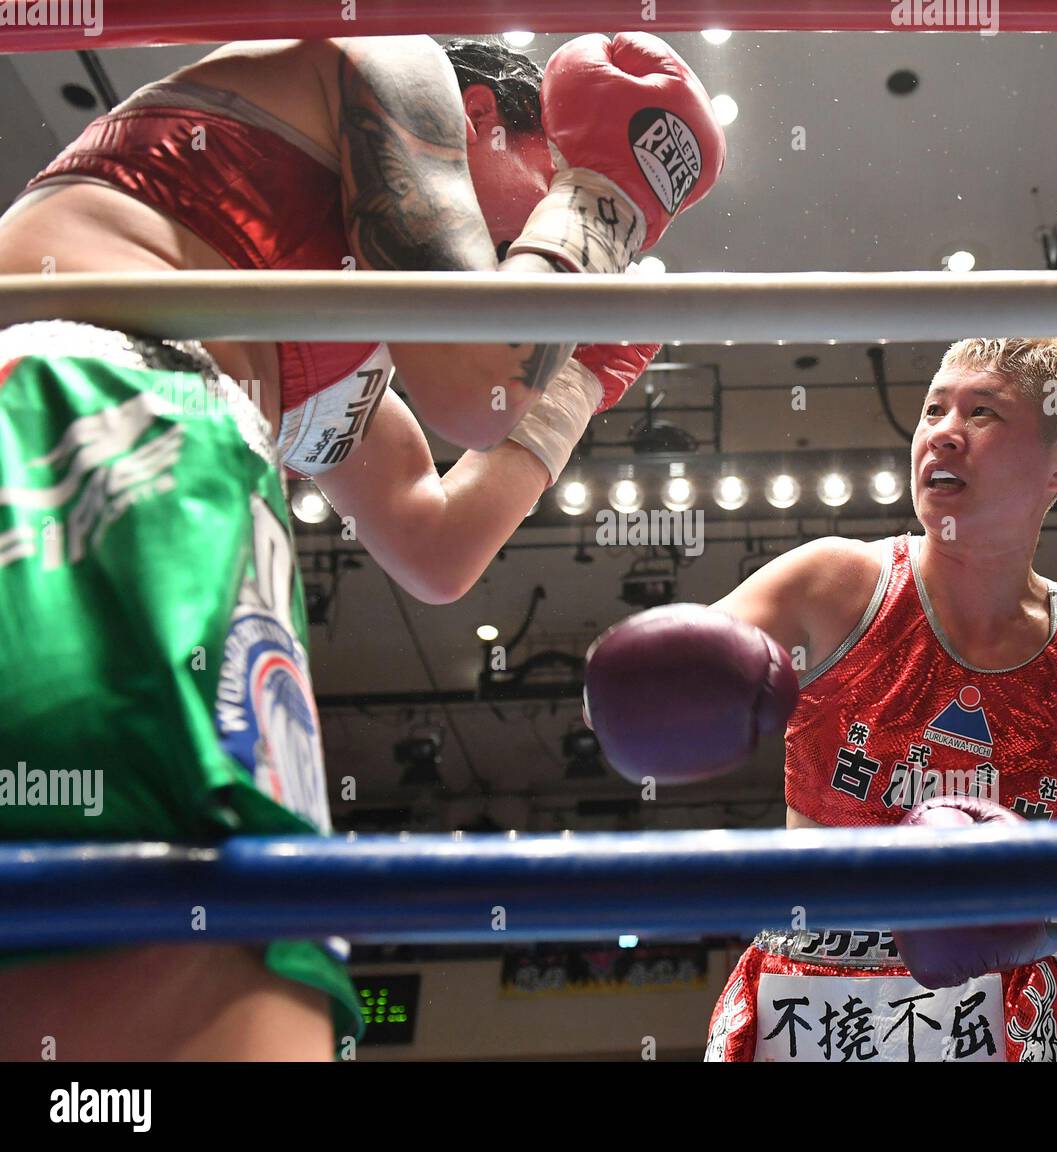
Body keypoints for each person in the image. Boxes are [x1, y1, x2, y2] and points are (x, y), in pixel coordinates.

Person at [0, 32, 724, 1060]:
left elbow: (436, 548)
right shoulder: (390, 59)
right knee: (217, 959)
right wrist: (598, 200)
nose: (542, 248)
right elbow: (480, 388)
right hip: (80, 401)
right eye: (544, 181)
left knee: (177, 954)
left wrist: (576, 385)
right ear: (479, 119)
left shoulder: (341, 354)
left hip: (166, 461)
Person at [584, 337, 1057, 1062]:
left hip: (1009, 1006)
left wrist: (1044, 915)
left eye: (983, 412)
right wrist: (639, 693)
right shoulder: (834, 587)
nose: (943, 432)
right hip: (809, 998)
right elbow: (626, 693)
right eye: (934, 409)